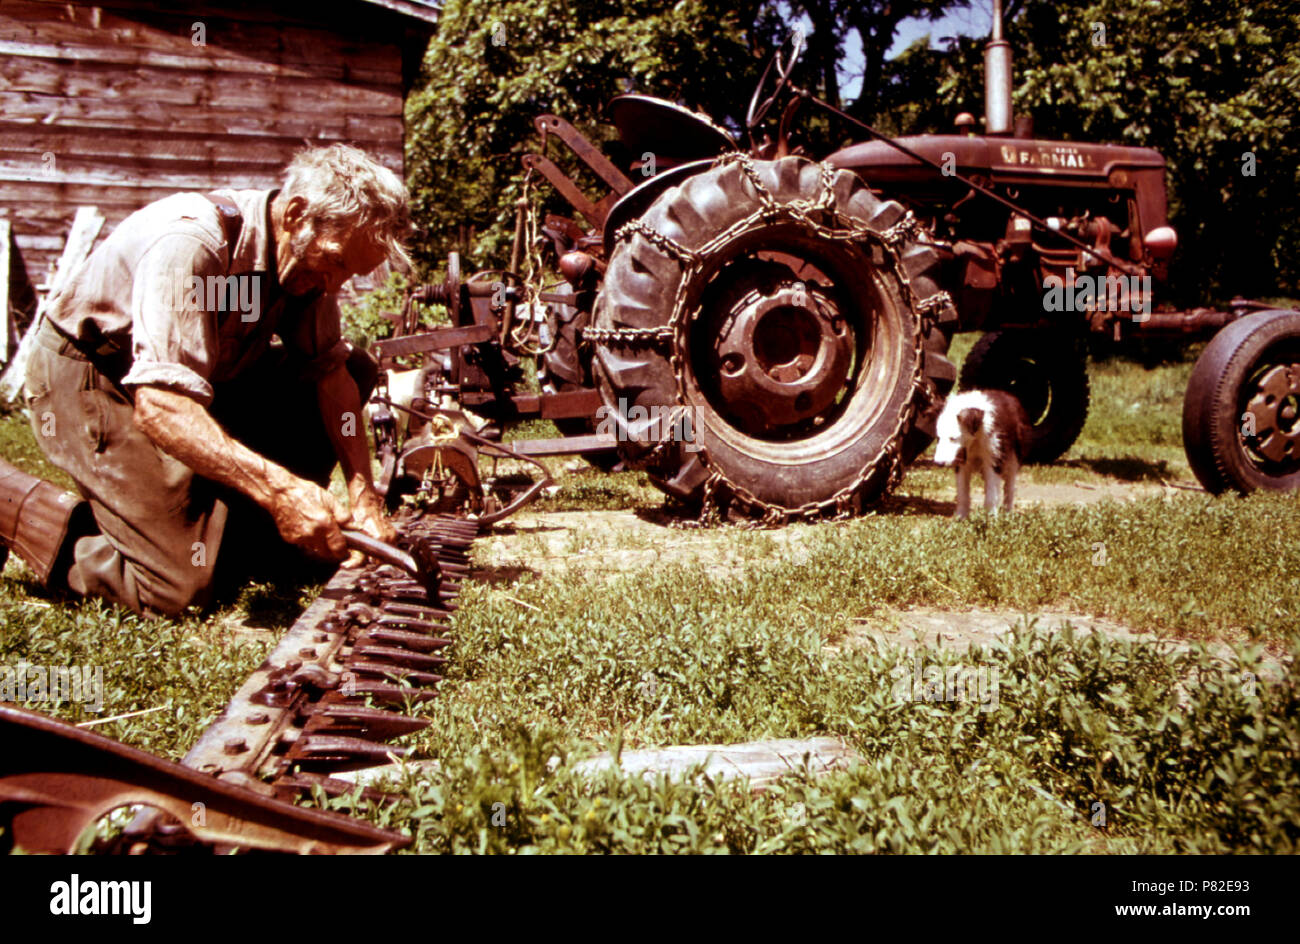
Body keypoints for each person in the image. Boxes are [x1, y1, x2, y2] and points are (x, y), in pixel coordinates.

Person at [0, 143, 406, 616]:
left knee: (354, 367)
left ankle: (248, 533)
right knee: (177, 588)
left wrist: (364, 492)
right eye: (336, 263)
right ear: (297, 215)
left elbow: (332, 377)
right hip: (96, 377)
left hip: (194, 382)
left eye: (349, 273)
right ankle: (11, 501)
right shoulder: (194, 244)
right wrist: (279, 489)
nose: (336, 285)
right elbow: (161, 405)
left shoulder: (300, 263)